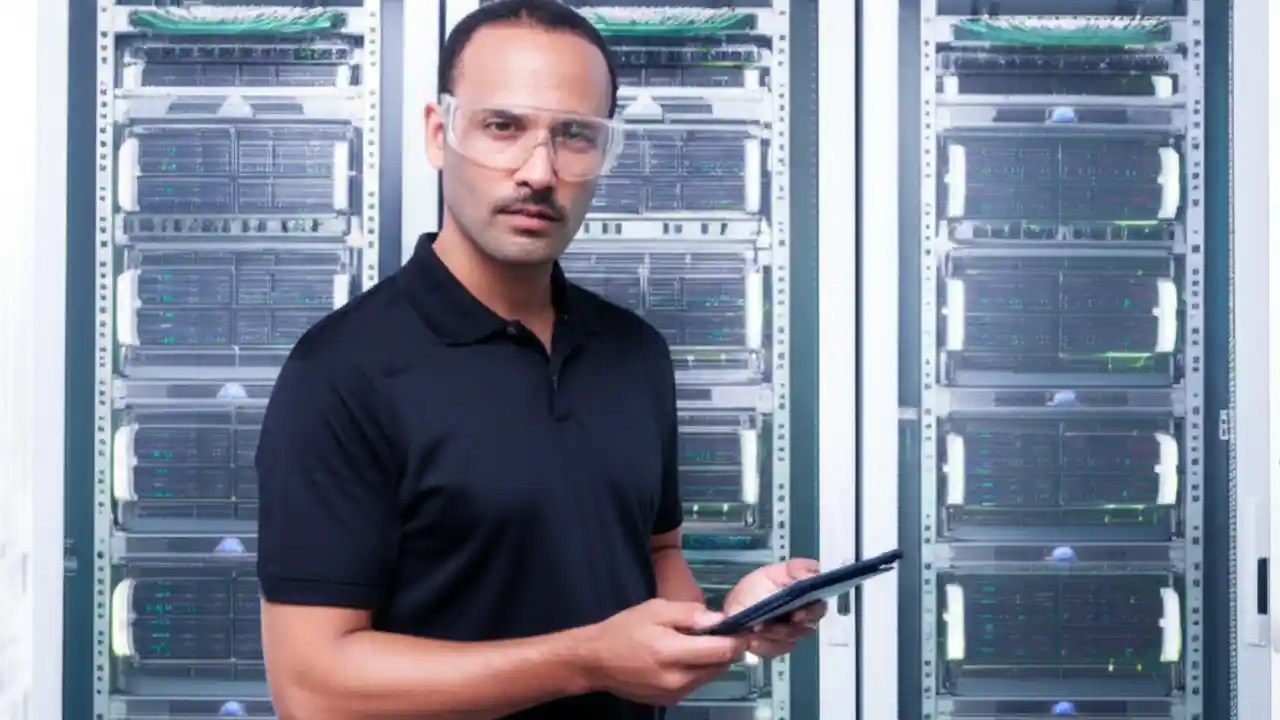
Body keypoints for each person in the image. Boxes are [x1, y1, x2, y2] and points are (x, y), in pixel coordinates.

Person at [254, 0, 825, 717]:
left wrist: (726, 625)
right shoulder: (340, 373)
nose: (538, 170)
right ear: (439, 134)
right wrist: (582, 662)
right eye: (503, 126)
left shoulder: (635, 353)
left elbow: (655, 560)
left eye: (575, 136)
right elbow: (312, 688)